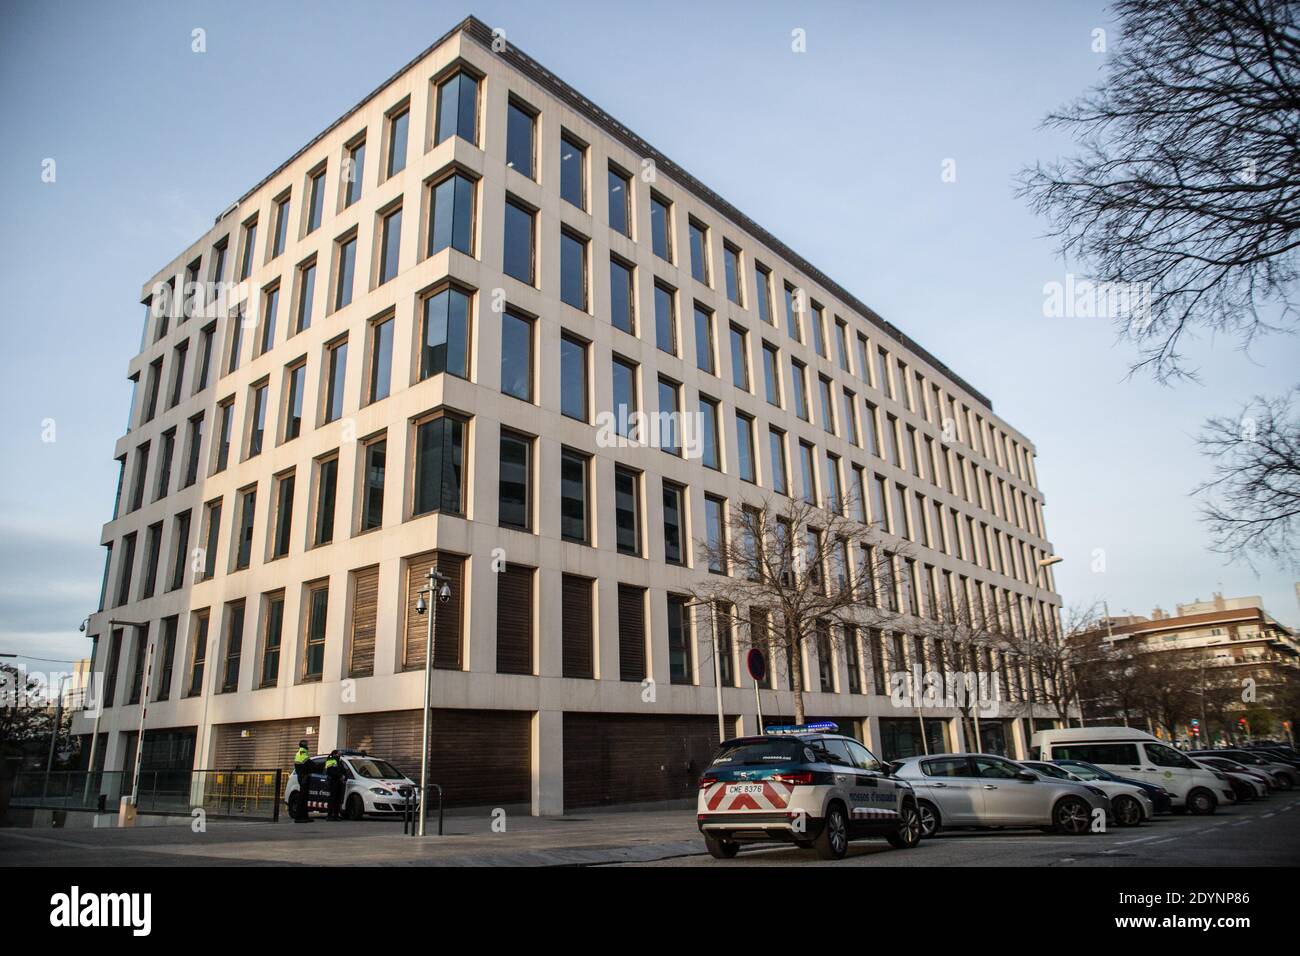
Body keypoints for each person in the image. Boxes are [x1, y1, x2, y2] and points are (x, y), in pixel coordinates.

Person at [293, 740, 313, 823]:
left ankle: (304, 817)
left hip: (302, 777)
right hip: (303, 778)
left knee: (304, 799)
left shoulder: (300, 753)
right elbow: (309, 765)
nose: (308, 745)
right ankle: (299, 817)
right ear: (304, 745)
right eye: (307, 744)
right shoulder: (302, 753)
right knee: (302, 798)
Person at [325, 750, 347, 821]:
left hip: (339, 782)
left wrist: (345, 776)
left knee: (337, 799)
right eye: (338, 753)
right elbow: (331, 771)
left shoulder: (339, 761)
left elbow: (343, 770)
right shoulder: (331, 760)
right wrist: (340, 776)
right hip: (333, 781)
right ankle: (330, 815)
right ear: (335, 754)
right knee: (332, 799)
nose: (340, 754)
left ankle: (336, 815)